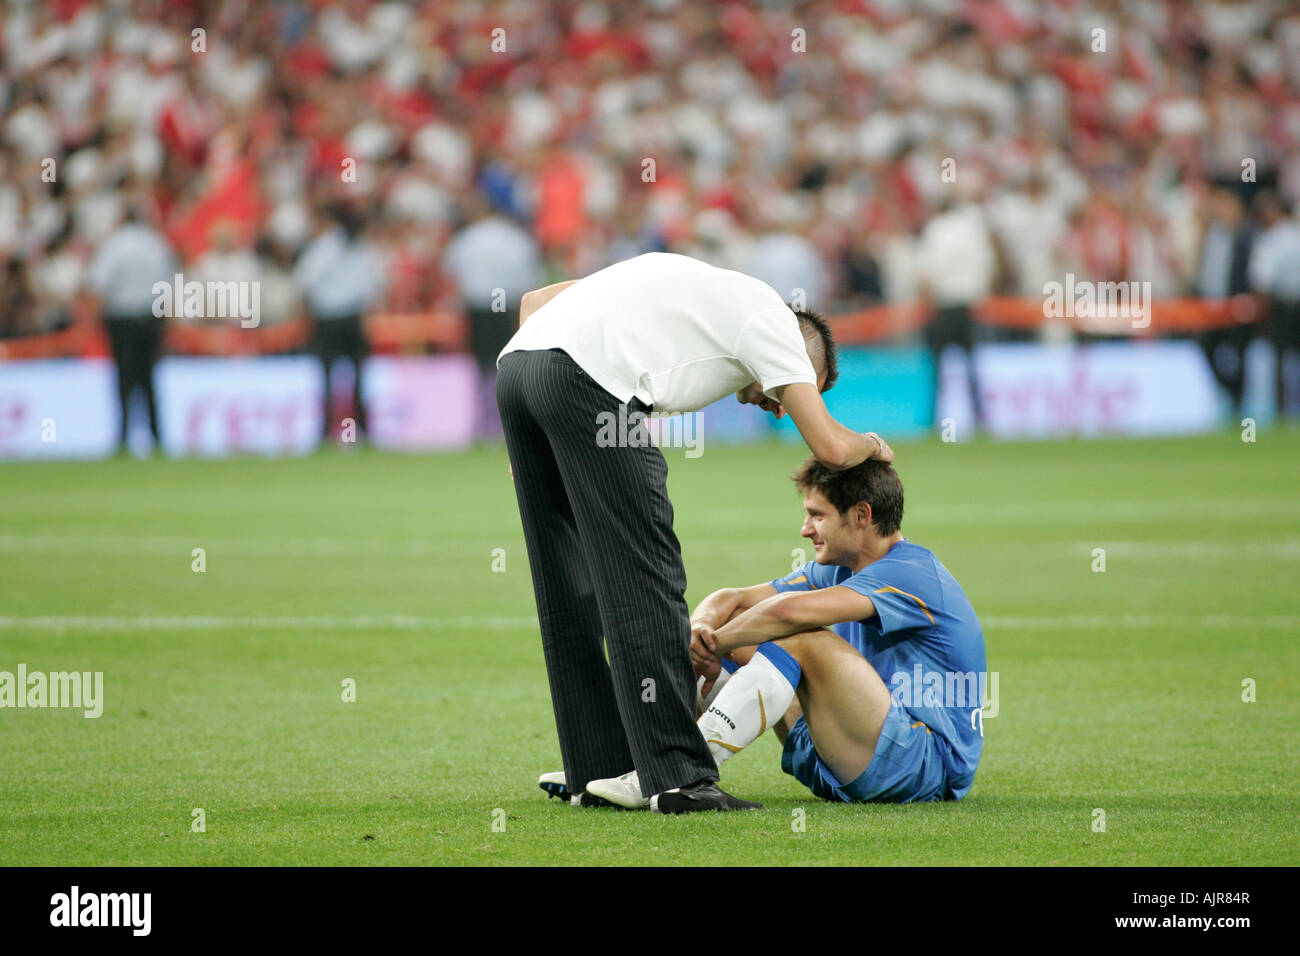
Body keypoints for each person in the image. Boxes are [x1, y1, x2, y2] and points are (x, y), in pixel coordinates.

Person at [497, 251, 894, 814]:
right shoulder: (776, 324)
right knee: (646, 577)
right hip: (589, 385)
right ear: (799, 356)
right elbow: (829, 444)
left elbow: (535, 303)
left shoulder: (696, 288)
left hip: (518, 372)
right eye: (805, 387)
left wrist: (533, 422)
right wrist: (874, 446)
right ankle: (676, 777)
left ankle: (599, 769)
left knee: (567, 588)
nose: (785, 408)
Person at [572, 456, 985, 809]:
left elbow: (787, 613)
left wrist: (714, 643)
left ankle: (682, 776)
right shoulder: (839, 569)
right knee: (745, 635)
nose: (806, 529)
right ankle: (646, 766)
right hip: (847, 753)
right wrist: (701, 628)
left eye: (817, 515)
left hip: (921, 766)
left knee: (806, 639)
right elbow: (731, 598)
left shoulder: (913, 573)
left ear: (862, 515)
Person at [85, 206, 178, 453]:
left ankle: (124, 437)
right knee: (149, 380)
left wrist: (92, 321)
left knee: (124, 380)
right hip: (150, 319)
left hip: (122, 320)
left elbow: (98, 284)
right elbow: (170, 285)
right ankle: (157, 437)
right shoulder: (157, 243)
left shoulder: (114, 245)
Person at [294, 203, 385, 445]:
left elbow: (304, 284)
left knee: (328, 377)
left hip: (329, 319)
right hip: (350, 319)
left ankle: (326, 432)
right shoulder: (363, 249)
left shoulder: (323, 249)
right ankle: (362, 430)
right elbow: (376, 286)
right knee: (356, 377)